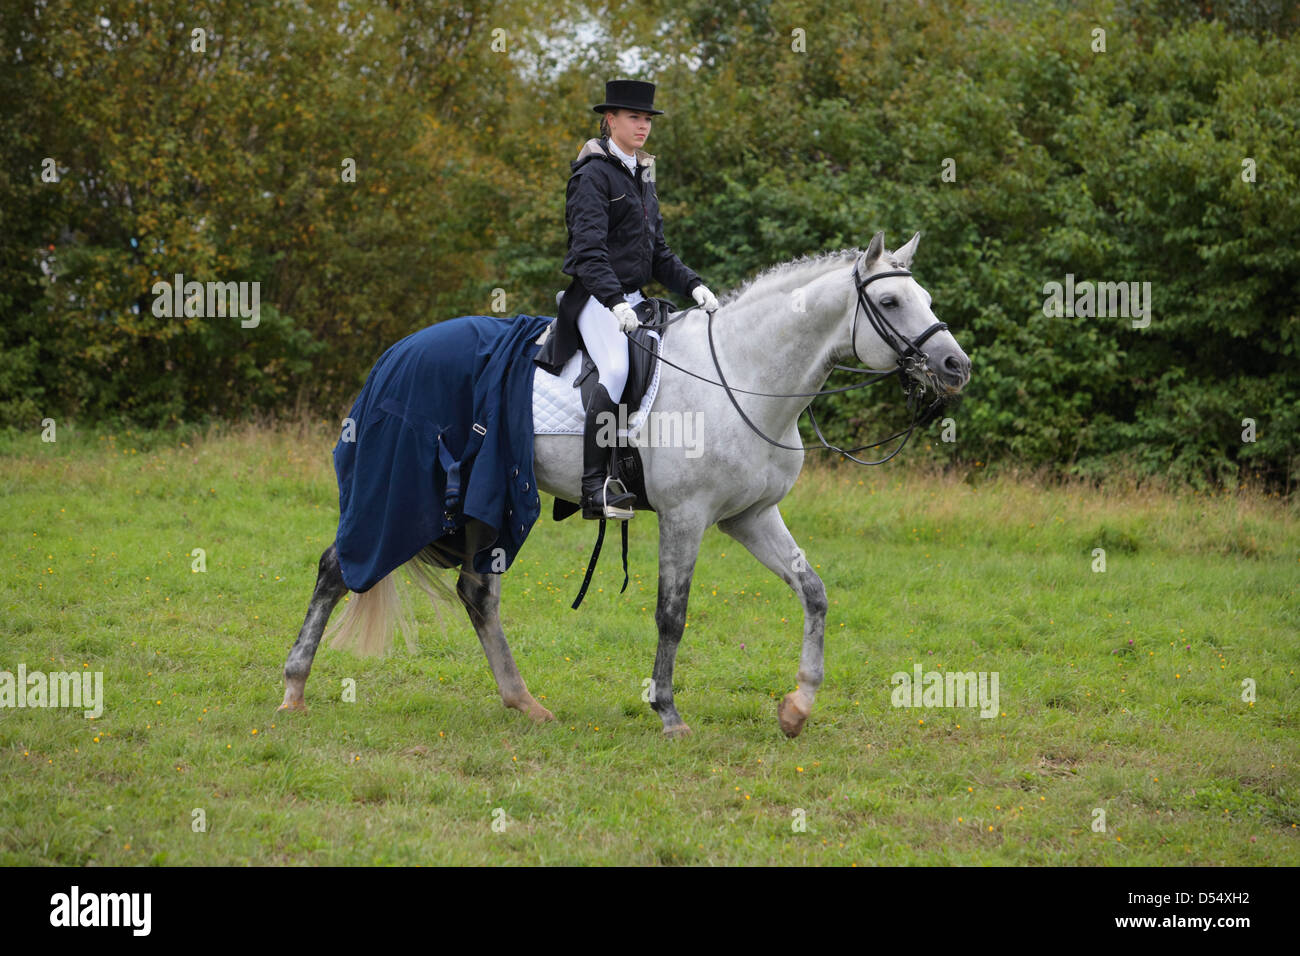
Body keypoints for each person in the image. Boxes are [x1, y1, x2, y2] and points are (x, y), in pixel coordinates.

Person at [536, 79, 718, 520]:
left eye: (648, 119)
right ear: (610, 119)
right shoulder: (592, 174)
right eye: (634, 118)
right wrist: (615, 301)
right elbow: (588, 252)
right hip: (597, 299)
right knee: (616, 369)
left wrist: (693, 285)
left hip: (634, 300)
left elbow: (657, 251)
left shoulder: (644, 171)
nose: (643, 126)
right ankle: (593, 488)